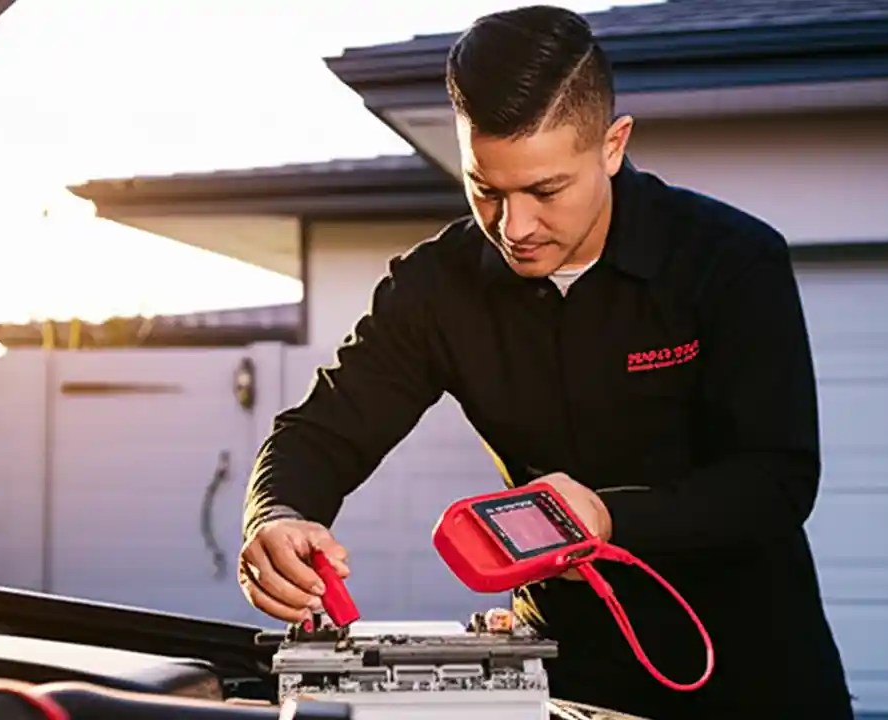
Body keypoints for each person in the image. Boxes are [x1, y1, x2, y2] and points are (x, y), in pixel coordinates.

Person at [237, 5, 854, 718]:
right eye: (486, 190)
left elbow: (775, 482)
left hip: (753, 671)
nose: (515, 227)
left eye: (546, 191)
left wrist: (609, 518)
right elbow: (321, 432)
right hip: (565, 671)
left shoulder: (730, 261)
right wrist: (277, 515)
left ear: (613, 146)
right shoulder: (435, 289)